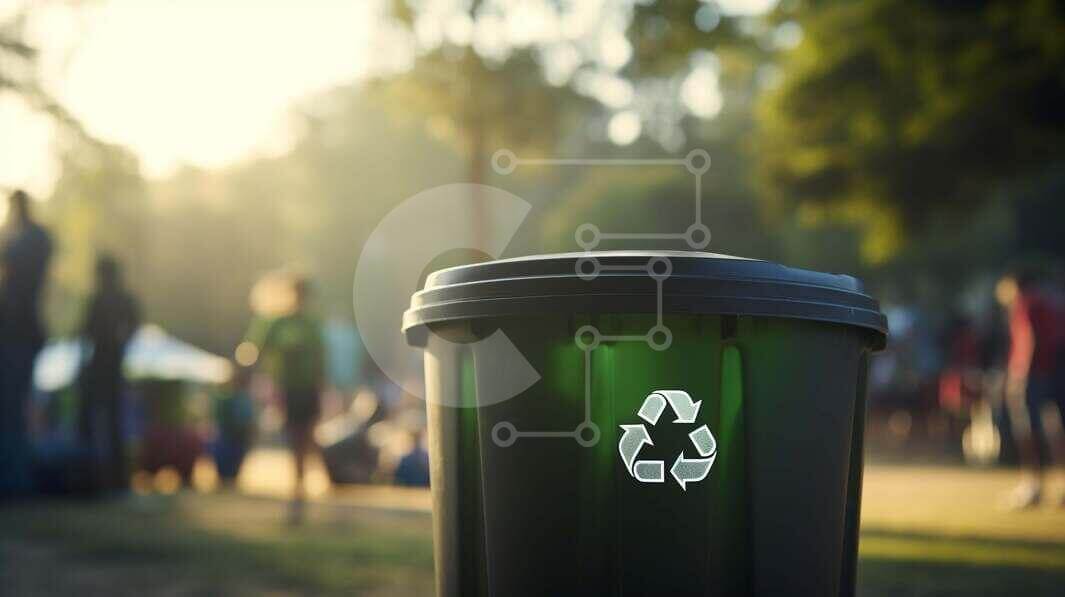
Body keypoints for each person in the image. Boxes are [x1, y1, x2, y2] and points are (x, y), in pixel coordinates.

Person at [246, 275, 325, 523]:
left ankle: (300, 488)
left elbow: (321, 358)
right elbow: (254, 349)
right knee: (296, 437)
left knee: (306, 437)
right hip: (287, 390)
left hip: (309, 389)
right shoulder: (275, 323)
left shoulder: (311, 324)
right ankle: (297, 489)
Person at [996, 270, 1065, 509]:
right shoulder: (1052, 303)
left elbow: (1029, 338)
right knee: (1056, 430)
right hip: (1056, 371)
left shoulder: (1025, 303)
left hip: (1033, 373)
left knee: (1028, 432)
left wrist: (1020, 374)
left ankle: (1033, 486)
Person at [0, 189, 53, 497]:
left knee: (13, 408)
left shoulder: (30, 240)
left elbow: (12, 258)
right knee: (13, 407)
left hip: (19, 334)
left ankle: (14, 479)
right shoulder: (31, 239)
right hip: (19, 332)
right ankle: (14, 476)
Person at [78, 255, 141, 493]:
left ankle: (109, 476)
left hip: (108, 365)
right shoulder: (108, 299)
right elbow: (86, 332)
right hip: (102, 365)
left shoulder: (113, 299)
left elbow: (86, 331)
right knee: (100, 422)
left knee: (107, 422)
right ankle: (97, 475)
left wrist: (120, 342)